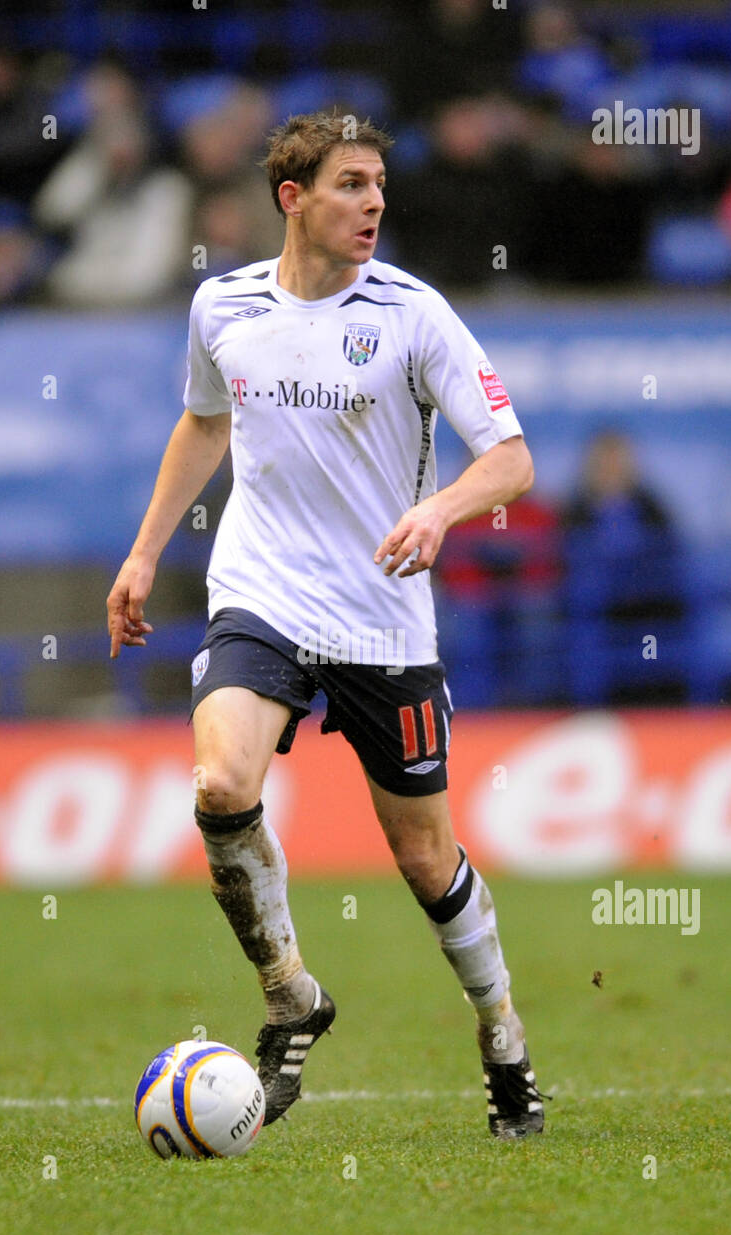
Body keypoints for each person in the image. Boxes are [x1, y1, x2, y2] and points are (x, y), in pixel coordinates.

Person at [106, 110, 547, 1140]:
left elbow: (512, 459)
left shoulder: (412, 314)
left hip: (381, 615)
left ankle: (501, 1035)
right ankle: (290, 991)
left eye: (380, 185)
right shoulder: (224, 306)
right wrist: (142, 552)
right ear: (291, 198)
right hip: (261, 590)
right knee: (220, 784)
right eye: (352, 184)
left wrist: (438, 509)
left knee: (424, 861)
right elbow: (205, 421)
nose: (375, 203)